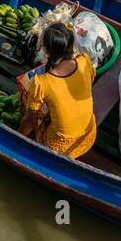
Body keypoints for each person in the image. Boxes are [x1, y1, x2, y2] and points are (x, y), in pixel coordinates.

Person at [19, 22, 97, 158]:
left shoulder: (42, 83)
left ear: (46, 51)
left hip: (60, 147)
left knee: (25, 99)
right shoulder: (84, 61)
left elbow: (30, 121)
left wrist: (17, 136)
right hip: (88, 135)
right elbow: (88, 82)